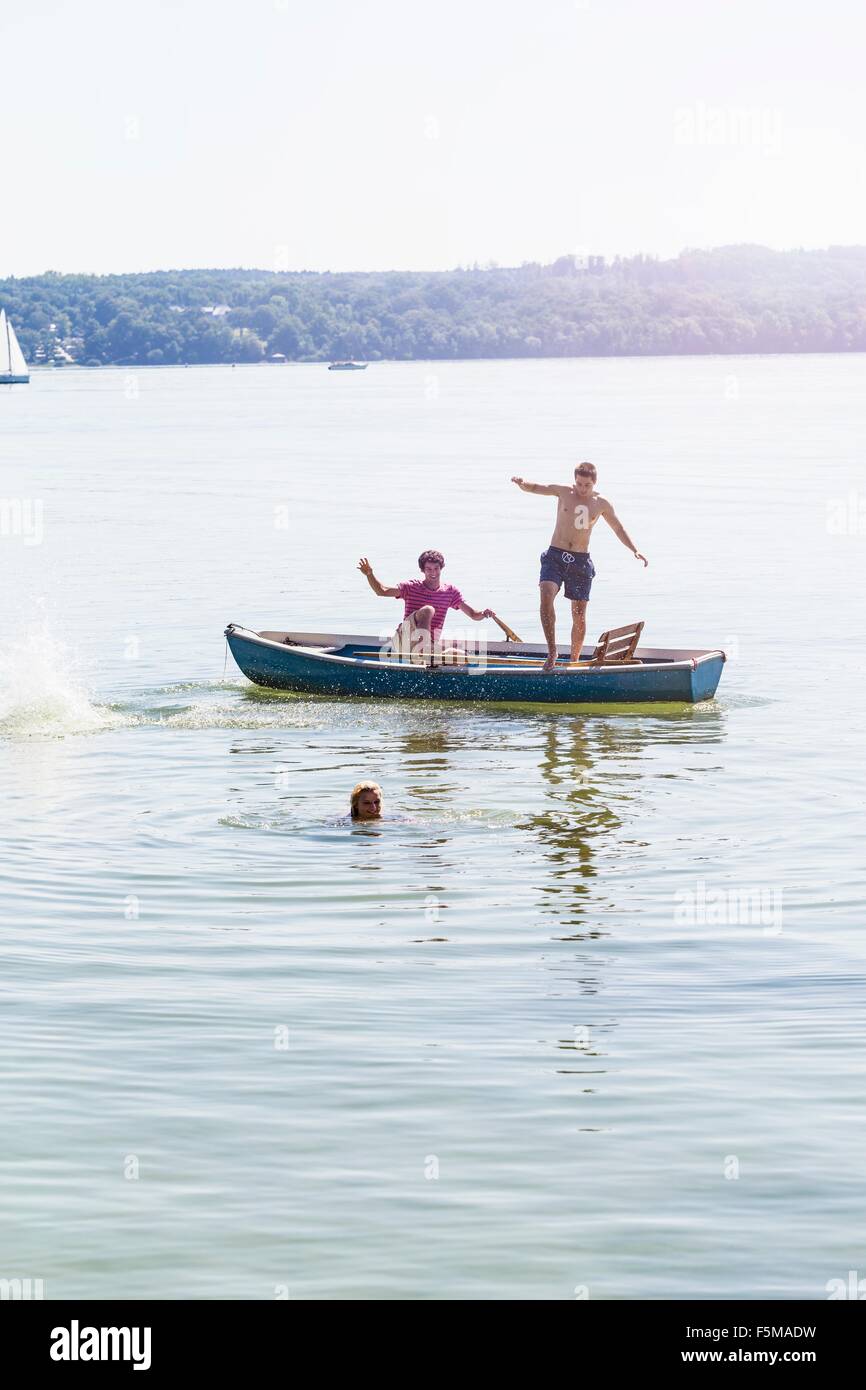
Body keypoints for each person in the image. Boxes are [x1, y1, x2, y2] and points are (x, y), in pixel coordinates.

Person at [512, 461, 648, 671]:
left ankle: (574, 661)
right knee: (546, 593)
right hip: (555, 556)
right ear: (574, 481)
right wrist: (523, 484)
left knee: (578, 614)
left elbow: (618, 528)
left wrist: (634, 549)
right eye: (579, 484)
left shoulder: (601, 503)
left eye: (586, 485)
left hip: (580, 561)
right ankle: (552, 651)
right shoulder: (564, 492)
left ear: (594, 483)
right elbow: (539, 488)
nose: (582, 489)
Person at [357, 549, 495, 663]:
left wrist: (484, 613)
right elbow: (382, 591)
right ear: (423, 570)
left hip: (429, 647)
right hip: (404, 642)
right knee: (428, 610)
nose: (433, 573)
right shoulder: (411, 587)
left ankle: (427, 658)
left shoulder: (450, 591)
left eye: (436, 568)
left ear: (441, 568)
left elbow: (473, 614)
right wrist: (369, 574)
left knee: (461, 655)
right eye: (428, 569)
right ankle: (423, 653)